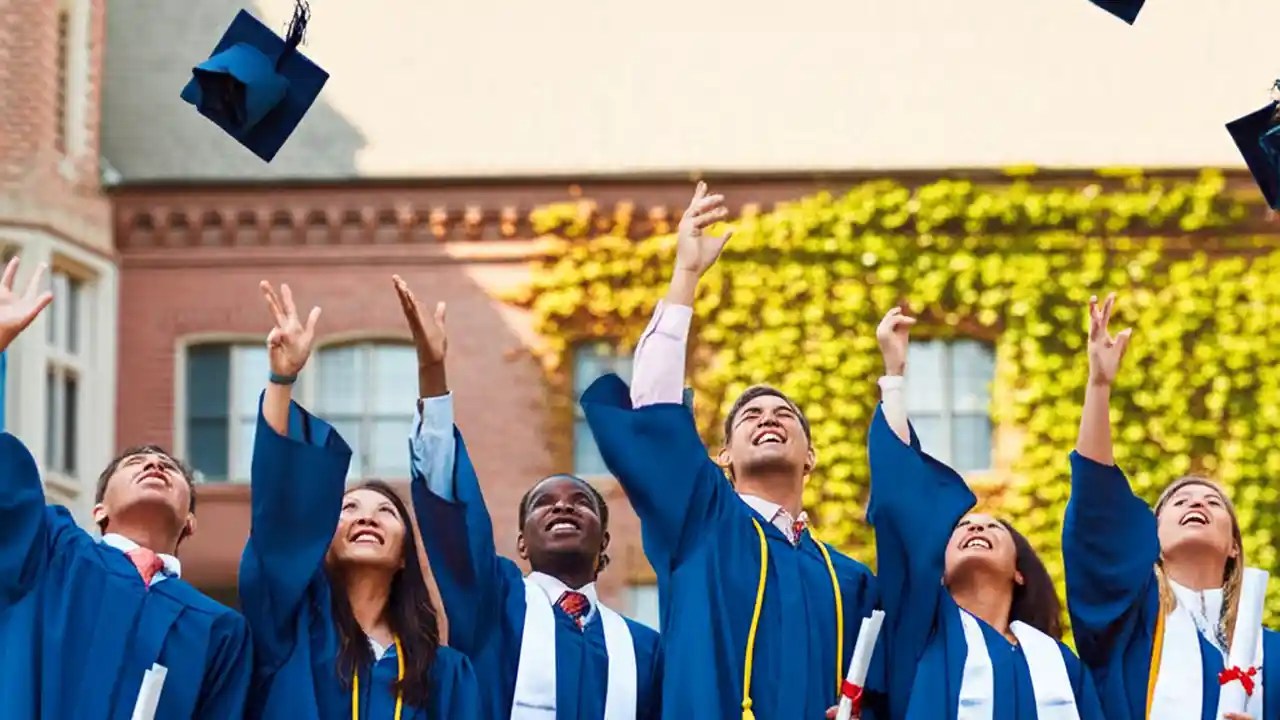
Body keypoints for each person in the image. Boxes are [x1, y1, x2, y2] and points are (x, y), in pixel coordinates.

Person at [578, 182, 882, 720]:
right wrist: (685, 277)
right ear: (723, 458)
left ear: (810, 456)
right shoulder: (704, 524)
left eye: (784, 414)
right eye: (750, 417)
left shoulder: (849, 581)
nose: (768, 418)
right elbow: (656, 417)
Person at [395, 275, 662, 720]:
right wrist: (432, 372)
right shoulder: (493, 604)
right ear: (521, 543)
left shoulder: (643, 649)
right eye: (544, 502)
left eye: (581, 502)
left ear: (604, 544)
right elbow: (453, 518)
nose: (562, 505)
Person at [0, 256, 252, 718]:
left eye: (170, 468)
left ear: (191, 520)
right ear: (98, 510)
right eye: (136, 462)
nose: (155, 464)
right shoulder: (52, 552)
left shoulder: (219, 629)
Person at [238, 280, 479, 720]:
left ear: (406, 553)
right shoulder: (290, 638)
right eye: (349, 509)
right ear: (320, 546)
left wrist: (432, 367)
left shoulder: (441, 672)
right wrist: (282, 378)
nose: (367, 517)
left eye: (387, 511)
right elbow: (276, 513)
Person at [866, 307, 1104, 720]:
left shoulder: (1060, 667)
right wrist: (895, 376)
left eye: (993, 526)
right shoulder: (920, 630)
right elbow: (900, 502)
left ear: (1019, 571)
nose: (975, 524)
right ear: (937, 569)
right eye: (962, 527)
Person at [1062, 293, 1276, 720]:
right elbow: (1097, 509)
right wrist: (1099, 387)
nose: (1196, 501)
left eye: (1213, 502)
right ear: (1149, 539)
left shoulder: (1268, 649)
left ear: (1234, 545)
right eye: (1178, 501)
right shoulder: (1126, 620)